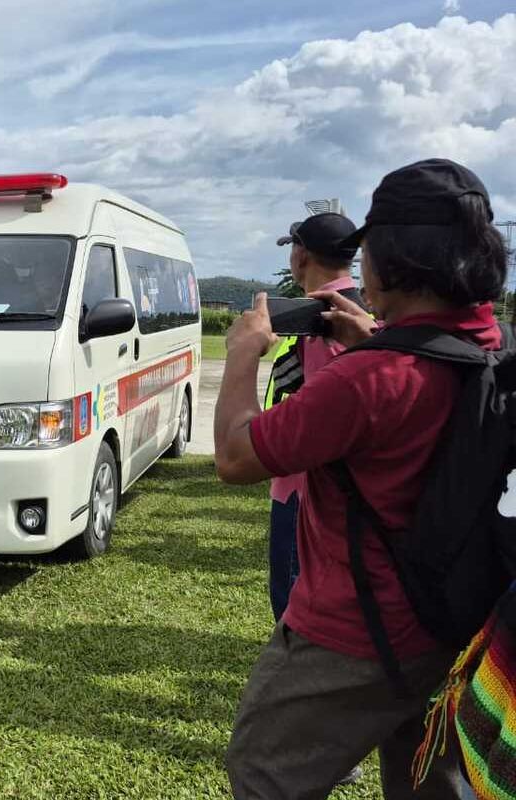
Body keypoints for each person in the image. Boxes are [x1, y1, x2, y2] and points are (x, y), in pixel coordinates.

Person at [216, 158, 507, 799]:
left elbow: (236, 458)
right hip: (454, 621)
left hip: (354, 628)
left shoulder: (368, 378)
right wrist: (375, 334)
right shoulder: (490, 344)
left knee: (262, 770)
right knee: (418, 771)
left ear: (393, 258)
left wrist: (243, 352)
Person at [264, 212, 362, 622]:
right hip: (340, 494)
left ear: (301, 255)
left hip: (305, 491)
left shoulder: (324, 320)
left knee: (292, 603)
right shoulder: (361, 310)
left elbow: (324, 418)